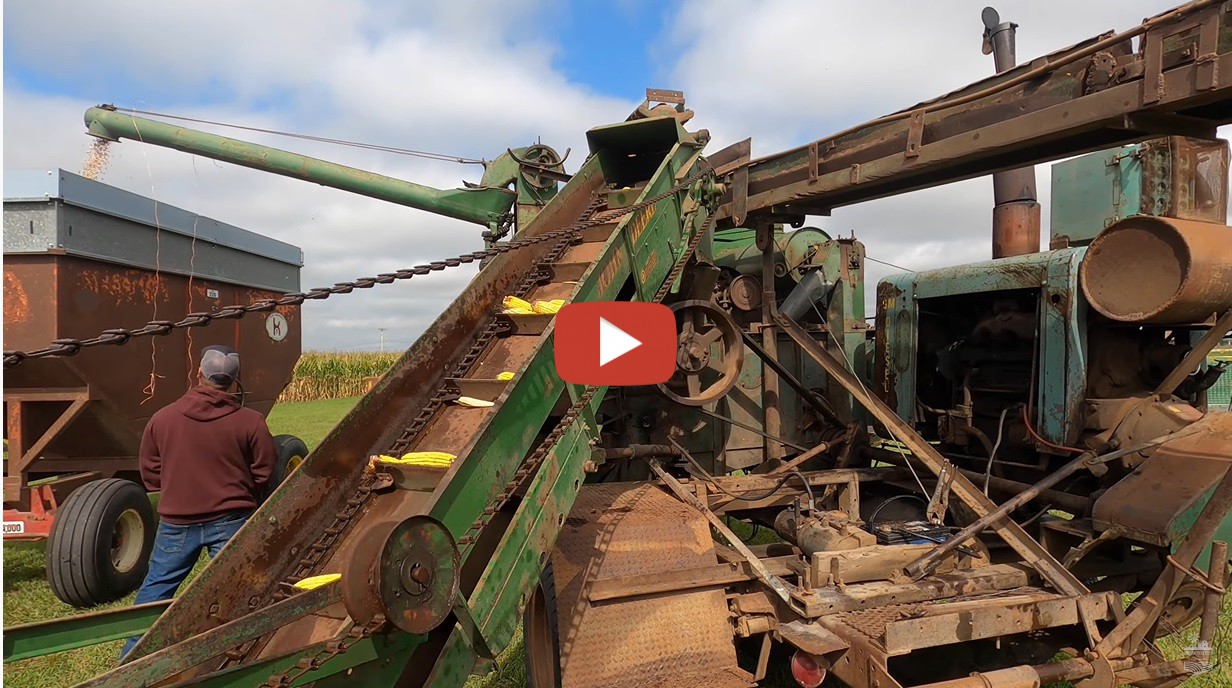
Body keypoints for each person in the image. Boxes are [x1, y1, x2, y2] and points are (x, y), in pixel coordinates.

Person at [120, 345, 277, 661]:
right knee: (242, 587)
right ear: (234, 381)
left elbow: (150, 472)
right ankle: (248, 653)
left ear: (198, 373)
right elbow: (265, 471)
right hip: (231, 519)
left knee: (156, 590)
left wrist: (176, 491)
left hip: (176, 522)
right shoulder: (251, 421)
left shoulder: (162, 419)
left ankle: (130, 659)